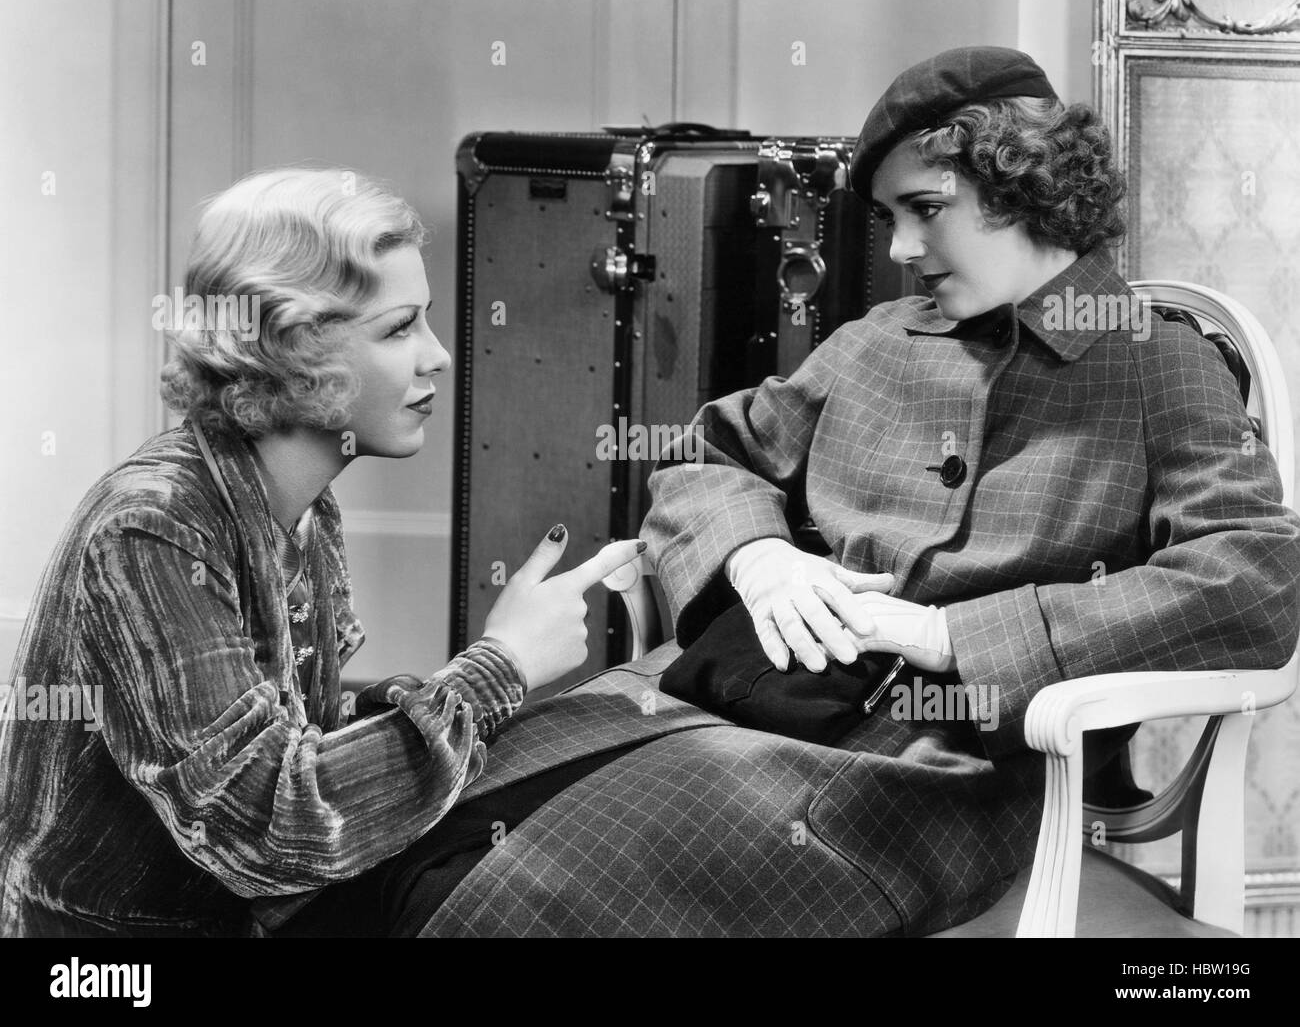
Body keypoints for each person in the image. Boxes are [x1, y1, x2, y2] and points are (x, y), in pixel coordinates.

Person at [413, 46, 1300, 937]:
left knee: (540, 899)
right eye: (887, 219)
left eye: (924, 211)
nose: (904, 250)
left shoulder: (1157, 361)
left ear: (1023, 182)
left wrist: (951, 634)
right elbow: (707, 453)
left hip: (931, 768)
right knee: (427, 828)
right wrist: (759, 559)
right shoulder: (877, 339)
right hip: (731, 687)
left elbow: (1254, 580)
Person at [0, 166, 645, 937]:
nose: (437, 357)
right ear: (295, 348)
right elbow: (269, 831)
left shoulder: (304, 506)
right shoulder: (149, 528)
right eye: (399, 328)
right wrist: (498, 668)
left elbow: (295, 748)